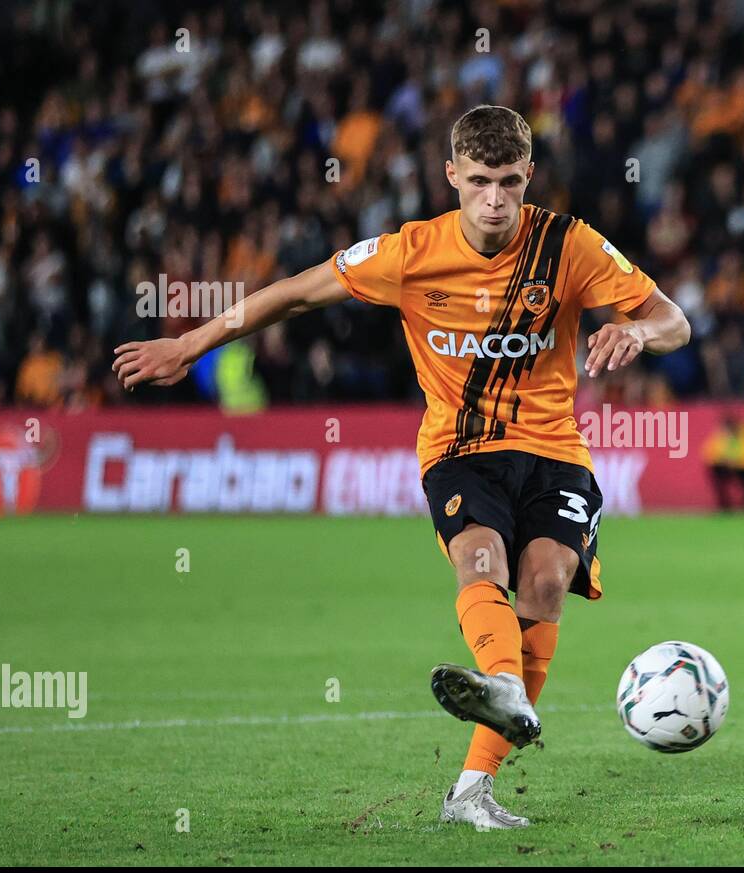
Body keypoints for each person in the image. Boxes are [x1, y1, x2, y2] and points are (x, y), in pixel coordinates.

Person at [111, 105, 691, 829]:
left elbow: (676, 319)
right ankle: (505, 686)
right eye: (479, 180)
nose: (495, 199)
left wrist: (636, 328)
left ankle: (471, 790)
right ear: (452, 175)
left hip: (553, 451)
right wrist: (188, 345)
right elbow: (292, 293)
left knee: (545, 584)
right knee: (482, 561)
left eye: (510, 181)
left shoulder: (568, 245)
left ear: (529, 177)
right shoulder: (410, 253)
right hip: (459, 450)